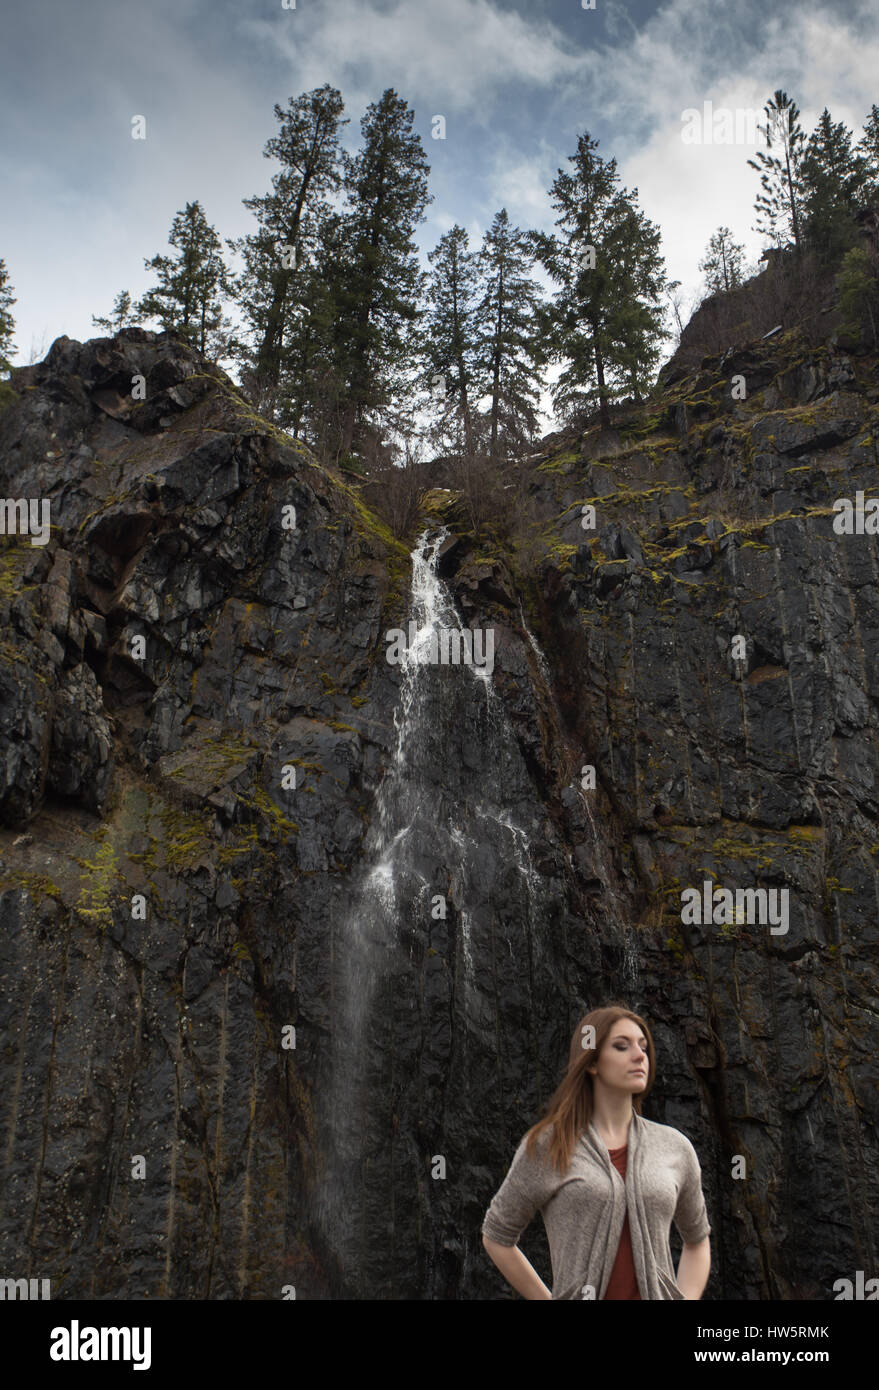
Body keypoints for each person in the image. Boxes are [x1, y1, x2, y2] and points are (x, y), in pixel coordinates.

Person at [481, 1004, 712, 1300]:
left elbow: (697, 1239)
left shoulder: (674, 1147)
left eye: (643, 1046)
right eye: (621, 1046)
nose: (640, 1055)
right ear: (591, 1062)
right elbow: (497, 1235)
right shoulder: (549, 1144)